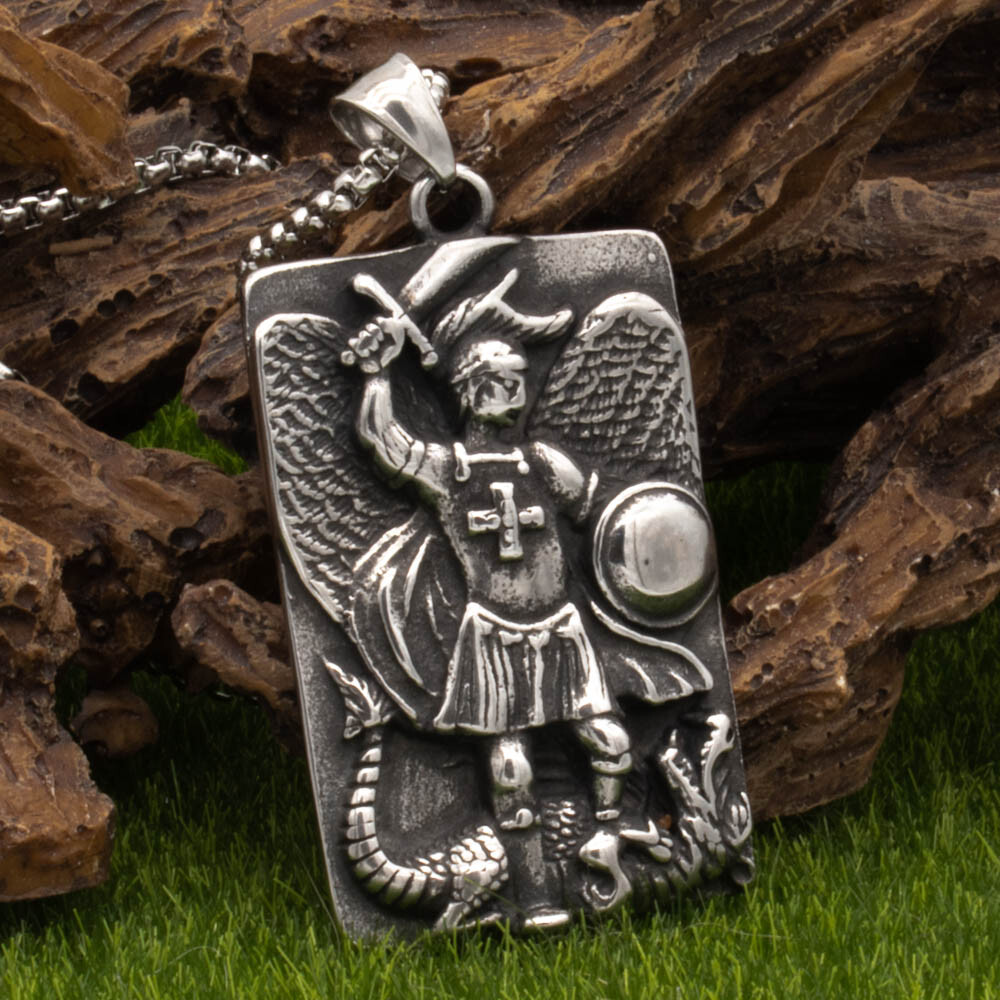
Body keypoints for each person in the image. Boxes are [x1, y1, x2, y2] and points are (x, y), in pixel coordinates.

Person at [345, 270, 633, 927]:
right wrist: (378, 374)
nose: (519, 392)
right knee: (509, 768)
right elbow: (383, 443)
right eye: (504, 381)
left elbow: (608, 519)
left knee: (612, 741)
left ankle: (607, 840)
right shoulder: (449, 471)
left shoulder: (544, 464)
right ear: (473, 391)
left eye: (521, 379)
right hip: (493, 635)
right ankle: (537, 899)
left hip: (562, 629)